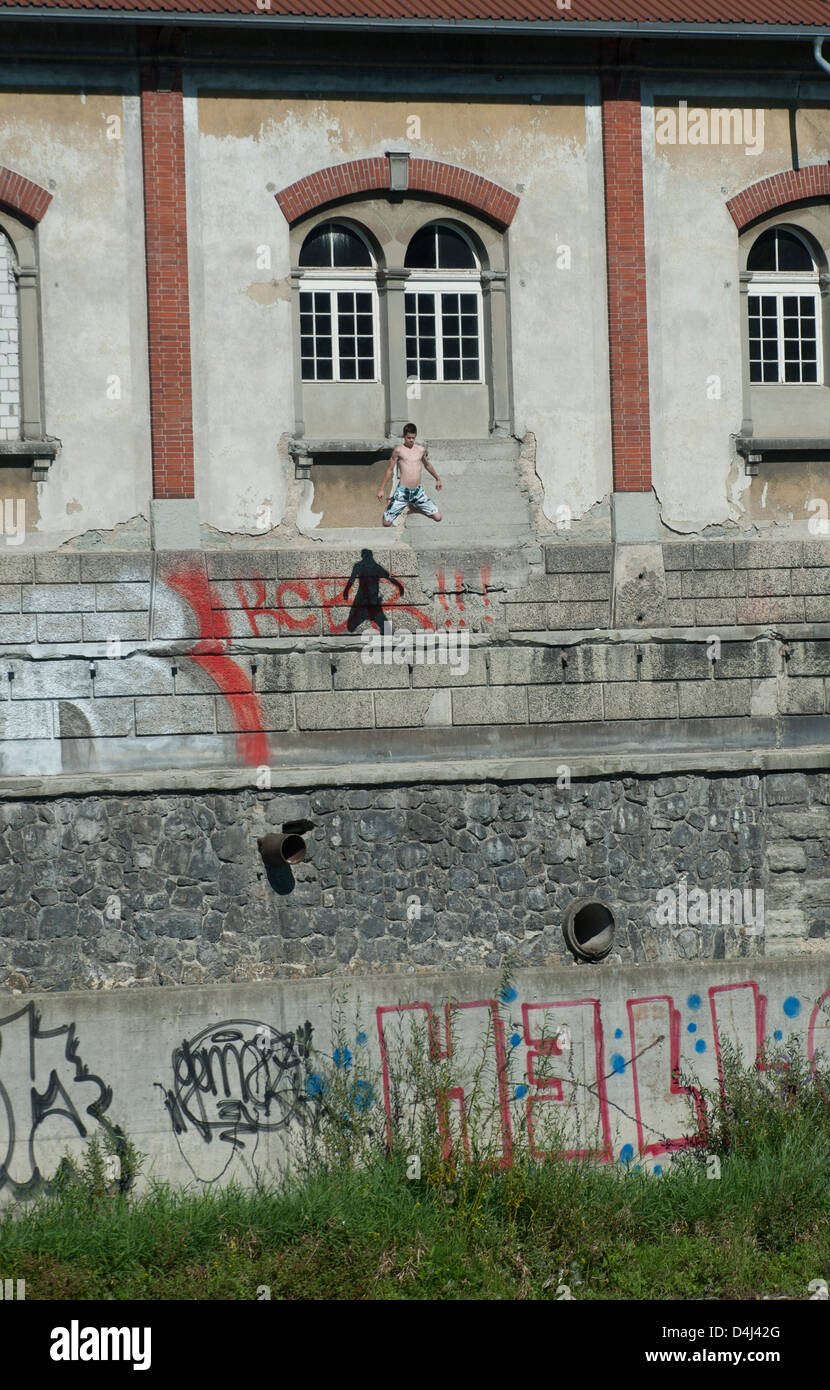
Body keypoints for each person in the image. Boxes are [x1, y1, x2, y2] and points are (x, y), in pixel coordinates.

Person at [377, 424, 442, 527]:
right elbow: (389, 470)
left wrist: (437, 479)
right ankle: (391, 501)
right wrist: (381, 489)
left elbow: (427, 465)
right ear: (404, 436)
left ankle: (415, 509)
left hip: (418, 492)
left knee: (438, 517)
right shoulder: (398, 450)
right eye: (409, 438)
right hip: (403, 492)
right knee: (386, 523)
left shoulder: (421, 450)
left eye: (413, 438)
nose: (411, 440)